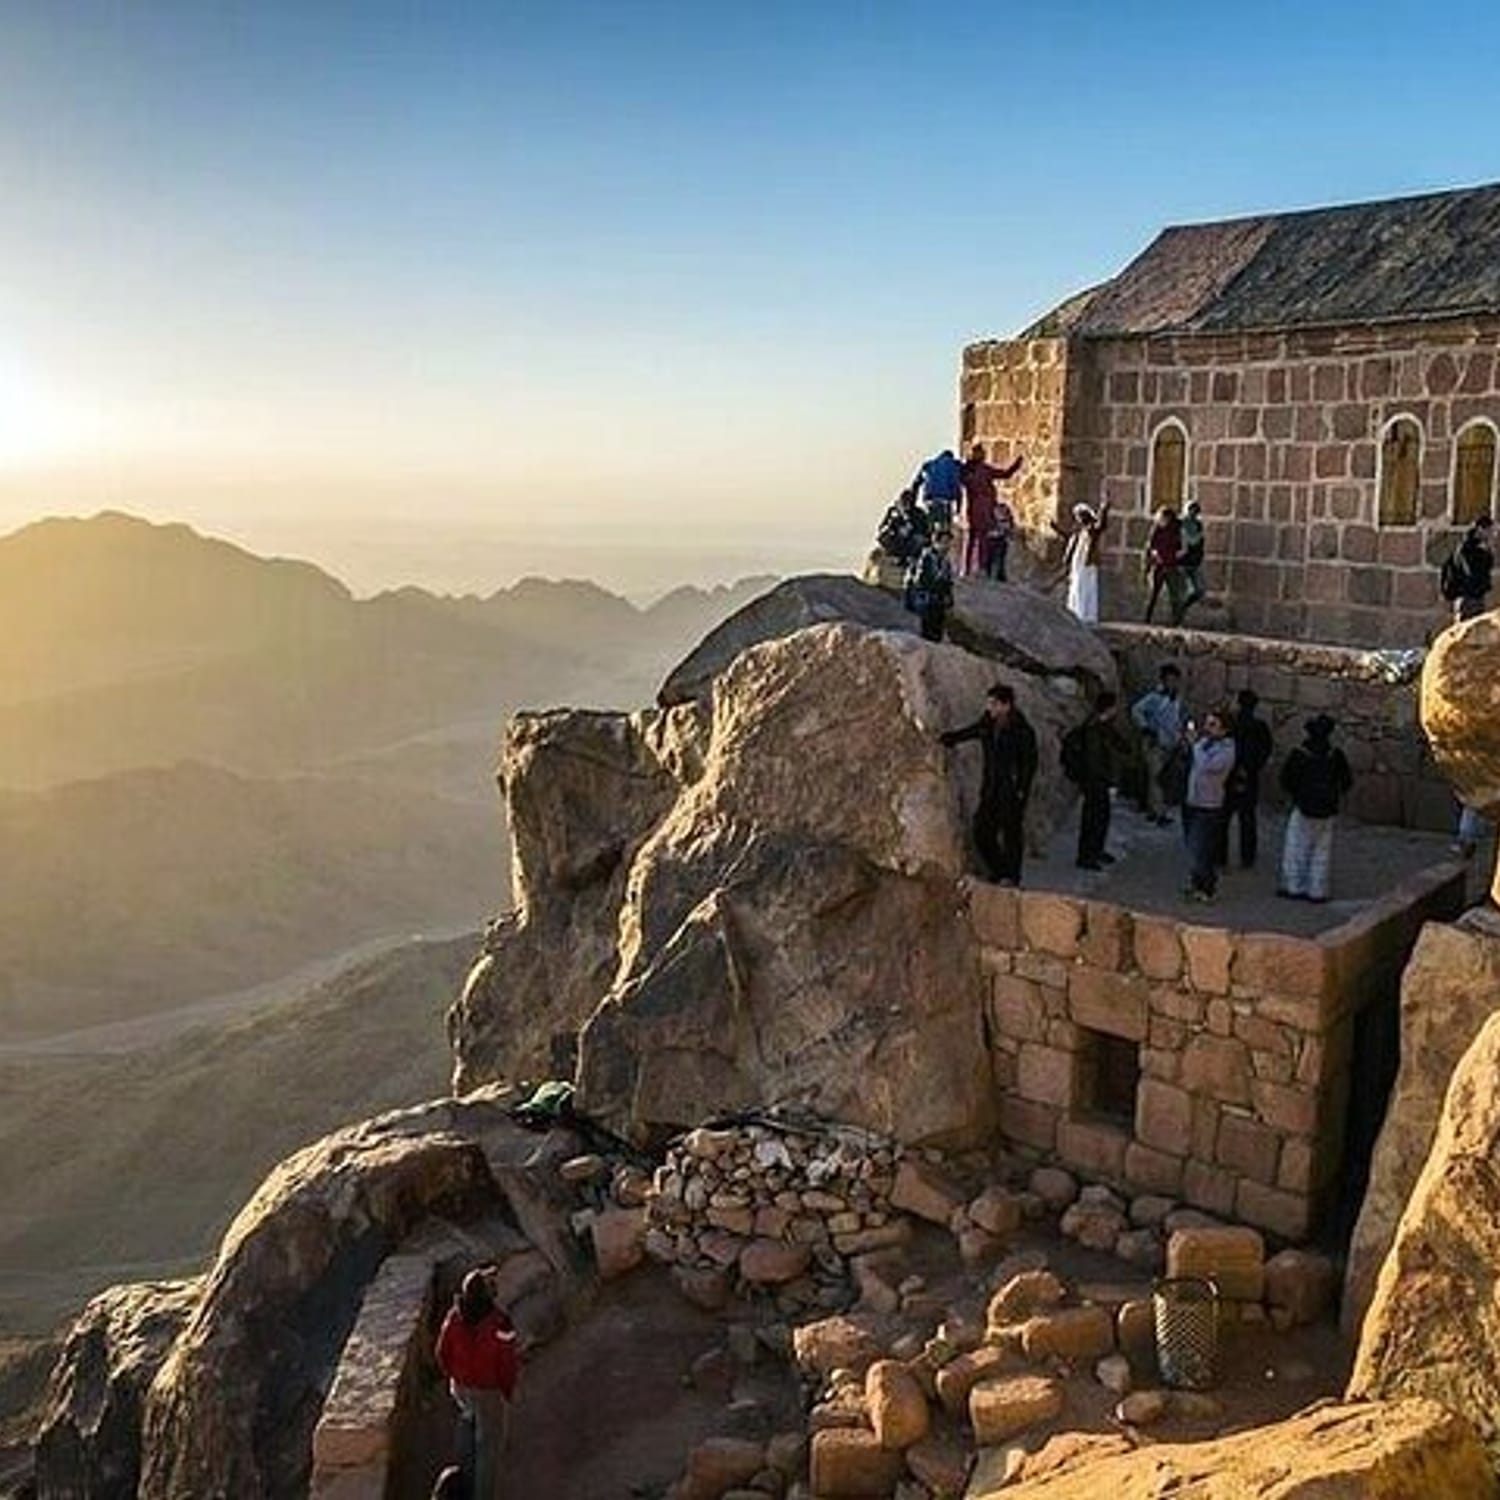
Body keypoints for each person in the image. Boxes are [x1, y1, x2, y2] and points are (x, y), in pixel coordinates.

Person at [940, 683, 1039, 886]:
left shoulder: (1022, 730)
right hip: (991, 789)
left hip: (1010, 791)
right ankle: (1000, 870)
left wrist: (1021, 790)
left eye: (994, 704)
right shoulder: (987, 724)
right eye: (989, 704)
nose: (989, 708)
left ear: (1006, 705)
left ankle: (1011, 876)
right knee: (982, 832)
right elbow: (971, 732)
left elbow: (1029, 764)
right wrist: (950, 738)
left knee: (1011, 835)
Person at [435, 1270, 520, 1500]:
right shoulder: (500, 1323)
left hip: (461, 1387)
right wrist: (507, 1391)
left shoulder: (454, 1317)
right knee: (488, 1449)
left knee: (468, 1429)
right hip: (488, 1390)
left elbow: (441, 1353)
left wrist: (456, 1377)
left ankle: (462, 1486)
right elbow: (507, 1364)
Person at [1278, 715, 1354, 903]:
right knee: (1322, 851)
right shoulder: (1335, 755)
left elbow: (1286, 779)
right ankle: (1318, 890)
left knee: (1296, 847)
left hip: (1303, 806)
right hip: (1327, 808)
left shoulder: (1300, 754)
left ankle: (1294, 886)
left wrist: (1297, 795)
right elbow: (1347, 781)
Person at [1063, 691, 1128, 870]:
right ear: (1110, 708)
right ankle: (1086, 856)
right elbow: (1095, 758)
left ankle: (1096, 850)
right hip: (1094, 780)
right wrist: (1101, 778)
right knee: (1092, 819)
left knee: (1101, 817)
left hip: (1098, 780)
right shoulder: (1094, 728)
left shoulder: (1102, 726)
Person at [1181, 708, 1236, 903]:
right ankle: (1197, 886)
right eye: (1207, 723)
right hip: (1192, 800)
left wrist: (1195, 745)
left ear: (1224, 730)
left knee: (1202, 849)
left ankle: (1208, 888)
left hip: (1209, 805)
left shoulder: (1227, 750)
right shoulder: (1204, 743)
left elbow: (1206, 766)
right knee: (1191, 846)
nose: (1207, 728)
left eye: (1213, 725)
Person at [1221, 688, 1274, 869]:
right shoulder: (1260, 727)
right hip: (1249, 776)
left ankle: (1220, 857)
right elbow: (1266, 750)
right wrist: (1253, 767)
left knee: (1224, 817)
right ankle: (1247, 858)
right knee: (1248, 818)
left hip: (1229, 775)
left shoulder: (1231, 724)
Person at [1130, 664, 1184, 826]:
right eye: (1170, 680)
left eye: (1175, 680)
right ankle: (1157, 812)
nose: (1173, 683)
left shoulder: (1176, 698)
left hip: (1170, 743)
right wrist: (1146, 727)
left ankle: (1156, 808)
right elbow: (1136, 710)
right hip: (1155, 742)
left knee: (1163, 778)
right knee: (1156, 778)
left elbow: (1175, 720)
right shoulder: (1155, 697)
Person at [961, 444, 1023, 578]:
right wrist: (1017, 464)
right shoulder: (983, 470)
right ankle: (980, 568)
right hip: (984, 509)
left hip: (973, 510)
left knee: (971, 539)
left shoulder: (966, 471)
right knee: (982, 539)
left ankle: (967, 568)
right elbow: (1005, 474)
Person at [1061, 501, 1110, 623]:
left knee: (1085, 587)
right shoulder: (1079, 531)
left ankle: (1085, 614)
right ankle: (1075, 611)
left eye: (1079, 515)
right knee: (1077, 586)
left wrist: (1104, 509)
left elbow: (1101, 525)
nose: (1078, 518)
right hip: (1078, 562)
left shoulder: (1092, 529)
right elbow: (1068, 538)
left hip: (1087, 562)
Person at [903, 530, 955, 642]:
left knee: (937, 632)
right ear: (936, 542)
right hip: (928, 601)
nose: (947, 546)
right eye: (944, 542)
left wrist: (948, 597)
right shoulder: (926, 558)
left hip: (939, 602)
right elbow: (921, 581)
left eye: (949, 543)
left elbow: (948, 581)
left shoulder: (945, 561)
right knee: (928, 632)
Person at [1443, 513, 1494, 622]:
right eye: (1488, 530)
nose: (1490, 534)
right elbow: (1471, 572)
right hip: (1468, 599)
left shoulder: (1476, 547)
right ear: (1480, 529)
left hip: (1475, 598)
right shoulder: (1467, 548)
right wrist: (1484, 554)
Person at [1143, 507, 1187, 625]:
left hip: (1172, 565)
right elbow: (1151, 545)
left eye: (1162, 518)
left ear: (1168, 518)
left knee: (1174, 595)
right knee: (1153, 594)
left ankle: (1177, 621)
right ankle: (1146, 619)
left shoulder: (1177, 528)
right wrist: (1155, 554)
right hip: (1159, 564)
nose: (1159, 520)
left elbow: (1183, 547)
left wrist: (1177, 556)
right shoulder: (1156, 529)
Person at [913, 448, 965, 541]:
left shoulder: (931, 464)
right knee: (945, 530)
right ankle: (941, 545)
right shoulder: (954, 466)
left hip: (929, 501)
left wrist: (913, 499)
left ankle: (928, 542)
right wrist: (958, 508)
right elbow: (957, 488)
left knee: (930, 528)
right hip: (944, 501)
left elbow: (917, 482)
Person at [876, 486, 931, 565]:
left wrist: (910, 526)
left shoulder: (919, 513)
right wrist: (892, 526)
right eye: (905, 500)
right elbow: (883, 526)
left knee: (918, 540)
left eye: (909, 500)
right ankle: (893, 556)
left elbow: (925, 530)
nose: (907, 503)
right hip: (896, 538)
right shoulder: (894, 510)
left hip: (913, 539)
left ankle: (909, 559)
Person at [1179, 500, 1207, 613]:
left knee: (1200, 590)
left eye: (1196, 511)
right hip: (1183, 561)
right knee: (1188, 590)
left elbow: (1199, 542)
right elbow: (1190, 541)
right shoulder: (1182, 523)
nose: (1193, 514)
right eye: (1192, 511)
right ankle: (1178, 612)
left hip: (1195, 561)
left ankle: (1182, 609)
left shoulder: (1198, 524)